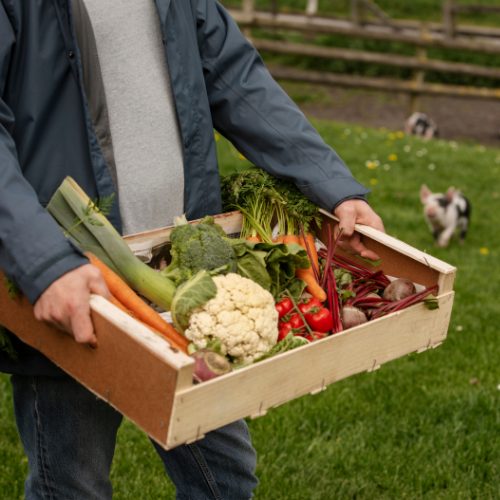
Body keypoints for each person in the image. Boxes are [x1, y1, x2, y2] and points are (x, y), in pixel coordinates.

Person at [0, 0, 385, 498]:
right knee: (73, 486)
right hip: (76, 280)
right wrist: (44, 262)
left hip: (185, 272)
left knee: (226, 482)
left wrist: (334, 186)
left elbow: (235, 77)